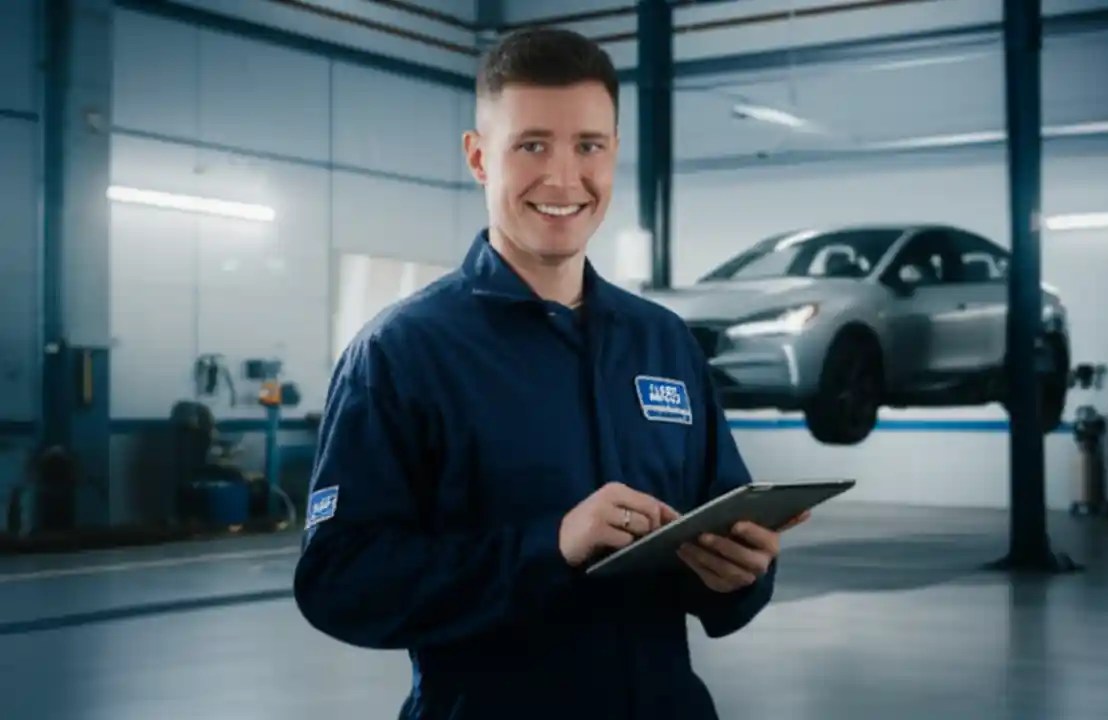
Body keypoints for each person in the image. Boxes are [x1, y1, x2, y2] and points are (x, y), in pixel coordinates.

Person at [293, 26, 808, 720]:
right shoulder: (402, 354)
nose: (564, 178)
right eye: (532, 144)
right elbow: (339, 580)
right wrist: (550, 548)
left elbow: (719, 531)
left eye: (588, 146)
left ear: (614, 154)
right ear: (480, 158)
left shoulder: (663, 342)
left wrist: (741, 575)